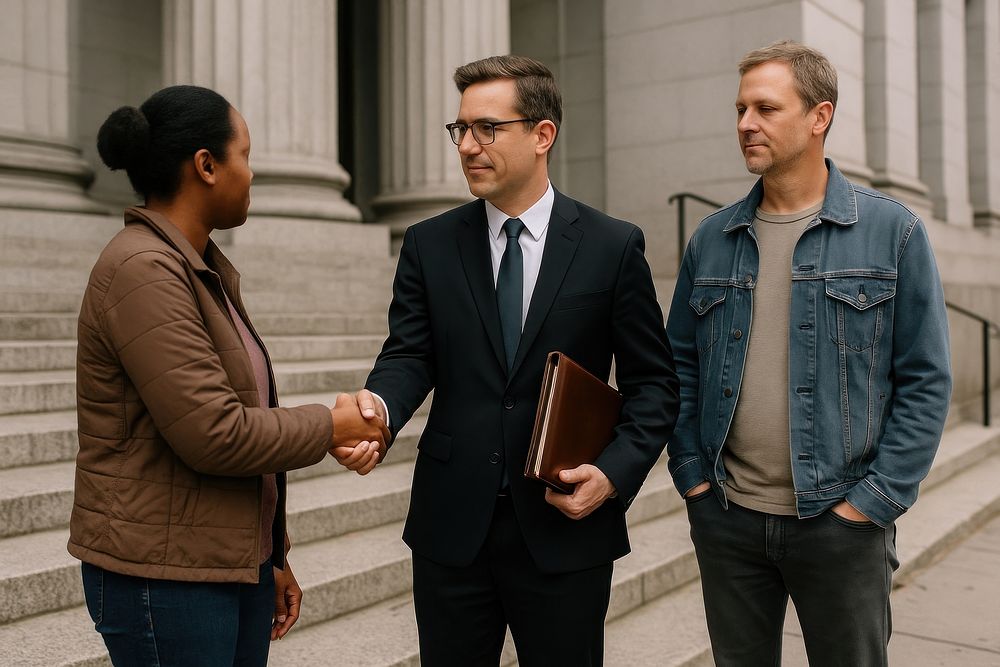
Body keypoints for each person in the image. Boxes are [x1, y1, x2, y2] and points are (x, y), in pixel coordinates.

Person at [331, 55, 678, 666]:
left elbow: (654, 386)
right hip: (451, 525)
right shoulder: (428, 243)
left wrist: (614, 474)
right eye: (460, 129)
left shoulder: (612, 245)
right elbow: (410, 353)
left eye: (487, 128)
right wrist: (378, 408)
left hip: (566, 524)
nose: (467, 146)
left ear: (542, 134)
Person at [69, 85, 389, 666]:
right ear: (206, 166)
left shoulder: (197, 267)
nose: (251, 172)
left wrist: (269, 556)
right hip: (164, 578)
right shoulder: (143, 269)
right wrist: (333, 423)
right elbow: (214, 432)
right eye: (245, 154)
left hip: (219, 564)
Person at [665, 41, 952, 666]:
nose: (745, 124)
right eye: (740, 109)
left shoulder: (892, 231)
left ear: (819, 117)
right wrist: (692, 477)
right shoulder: (712, 239)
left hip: (840, 522)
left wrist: (870, 505)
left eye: (765, 108)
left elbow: (926, 380)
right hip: (729, 517)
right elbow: (680, 366)